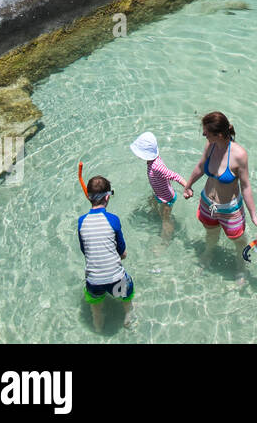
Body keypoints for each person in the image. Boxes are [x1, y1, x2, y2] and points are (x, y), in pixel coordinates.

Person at [182, 112, 257, 260]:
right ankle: (209, 253)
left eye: (207, 133)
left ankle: (241, 264)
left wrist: (253, 215)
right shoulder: (210, 145)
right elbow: (201, 167)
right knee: (211, 233)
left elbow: (245, 186)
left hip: (229, 209)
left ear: (219, 135)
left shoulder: (239, 155)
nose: (203, 134)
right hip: (207, 203)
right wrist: (188, 185)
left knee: (238, 240)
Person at [77, 175, 134, 330]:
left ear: (89, 197)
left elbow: (85, 250)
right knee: (126, 293)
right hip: (116, 279)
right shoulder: (113, 220)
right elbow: (122, 252)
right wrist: (122, 255)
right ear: (107, 197)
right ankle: (128, 314)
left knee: (95, 302)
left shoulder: (81, 221)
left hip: (94, 282)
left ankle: (98, 322)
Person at [129, 131, 186, 241]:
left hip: (166, 199)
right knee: (151, 203)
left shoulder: (156, 166)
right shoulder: (153, 160)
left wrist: (187, 186)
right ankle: (153, 215)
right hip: (158, 194)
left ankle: (165, 242)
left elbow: (174, 176)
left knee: (166, 220)